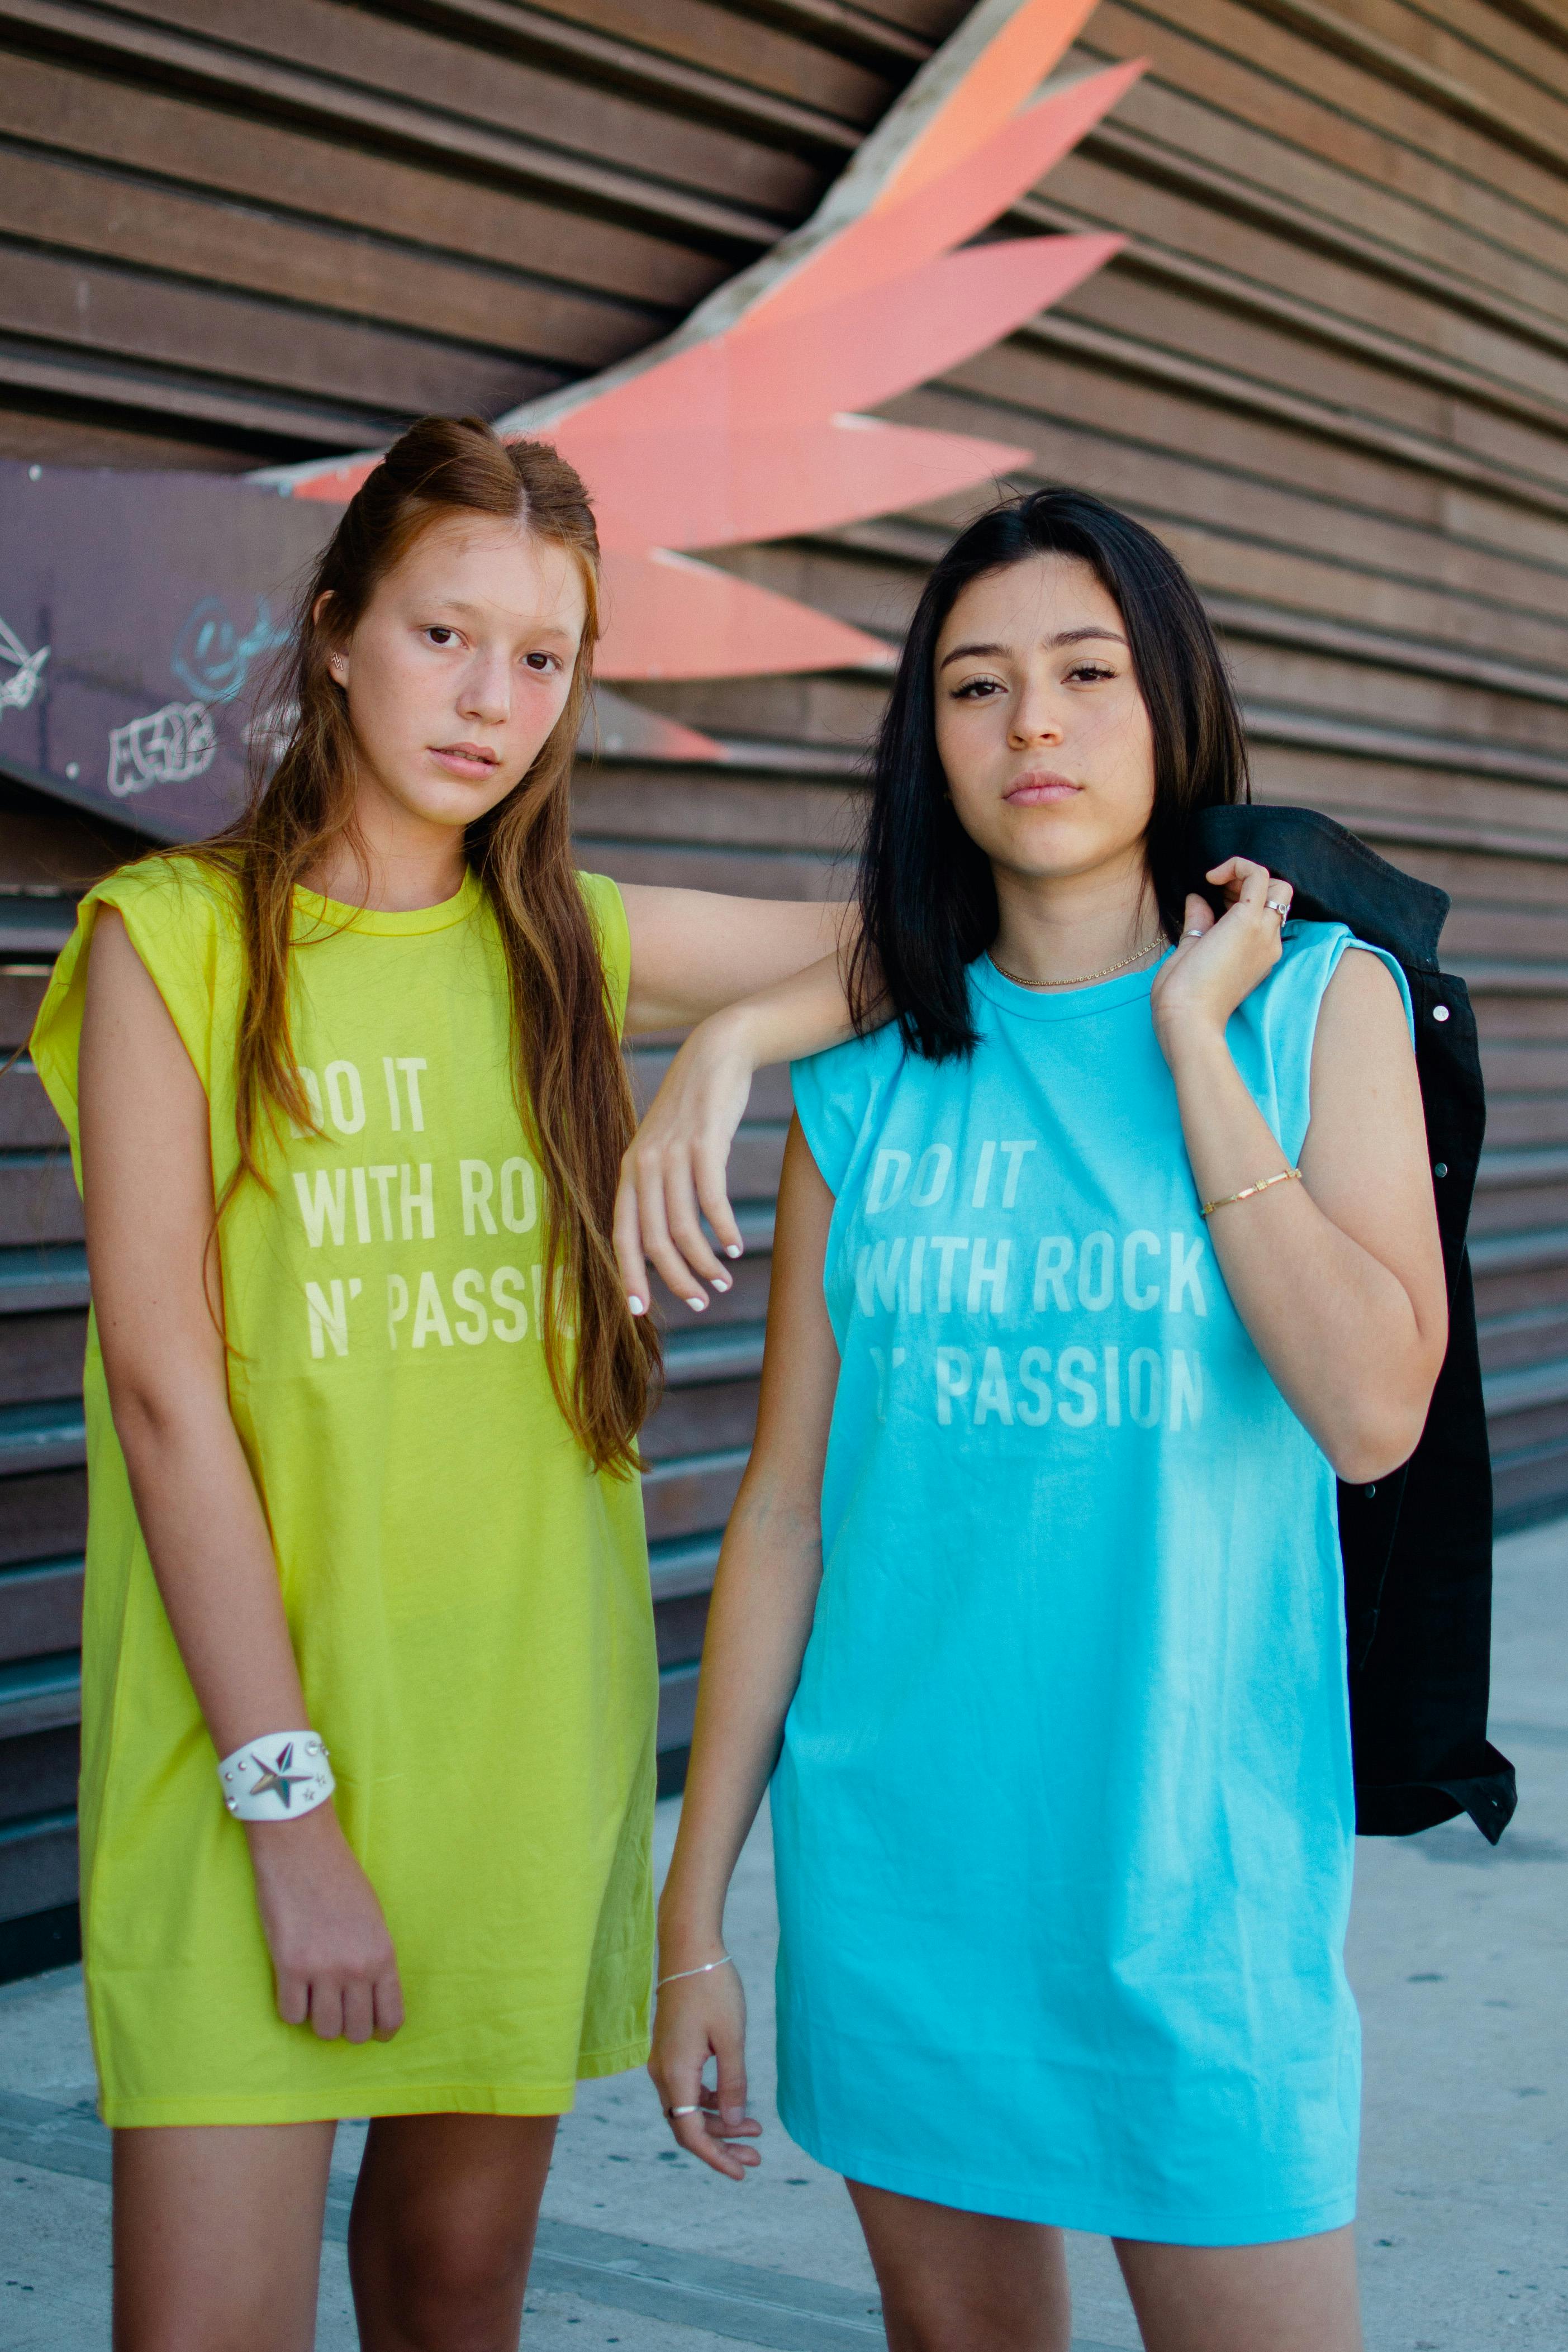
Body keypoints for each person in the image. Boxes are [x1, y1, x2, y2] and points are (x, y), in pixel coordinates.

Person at [31, 413, 857, 2352]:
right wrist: (290, 1817)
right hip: (247, 1760)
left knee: (450, 2297)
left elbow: (926, 945)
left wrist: (730, 1049)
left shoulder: (571, 946)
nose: (493, 699)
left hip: (517, 1744)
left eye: (544, 656)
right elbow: (163, 1399)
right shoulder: (170, 944)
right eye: (443, 634)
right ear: (334, 633)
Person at [648, 488, 1448, 2352]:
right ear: (927, 738)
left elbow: (1371, 1414)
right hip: (901, 1881)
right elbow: (786, 1513)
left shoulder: (1319, 1008)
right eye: (975, 685)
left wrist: (1192, 1045)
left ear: (1170, 699)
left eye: (1088, 673)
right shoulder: (869, 1071)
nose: (1034, 724)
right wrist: (693, 1918)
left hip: (1197, 1893)